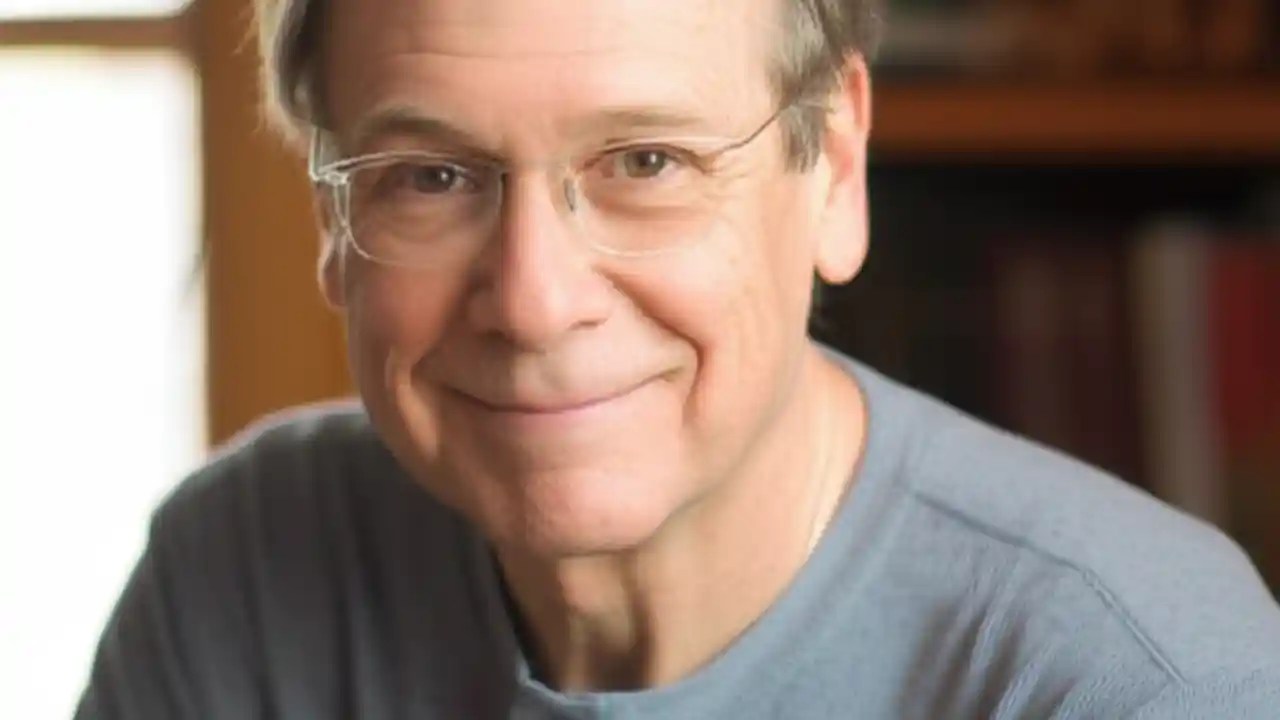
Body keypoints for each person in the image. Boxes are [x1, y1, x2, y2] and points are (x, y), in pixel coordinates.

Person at [76, 0, 1280, 717]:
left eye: (643, 162)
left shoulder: (1135, 678)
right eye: (431, 177)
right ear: (333, 227)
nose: (536, 304)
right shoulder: (236, 575)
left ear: (837, 169)